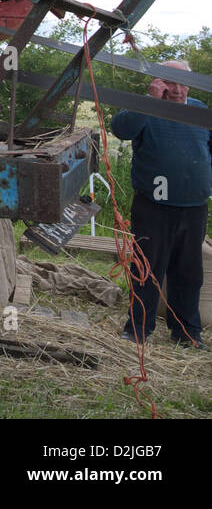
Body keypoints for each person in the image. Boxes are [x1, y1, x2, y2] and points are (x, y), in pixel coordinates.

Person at [111, 60, 212, 347]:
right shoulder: (147, 108)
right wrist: (149, 100)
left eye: (183, 83)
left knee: (189, 274)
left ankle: (187, 333)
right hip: (153, 207)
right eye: (171, 83)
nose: (178, 90)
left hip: (193, 207)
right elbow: (122, 129)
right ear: (160, 83)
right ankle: (138, 330)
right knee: (147, 270)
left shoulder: (199, 110)